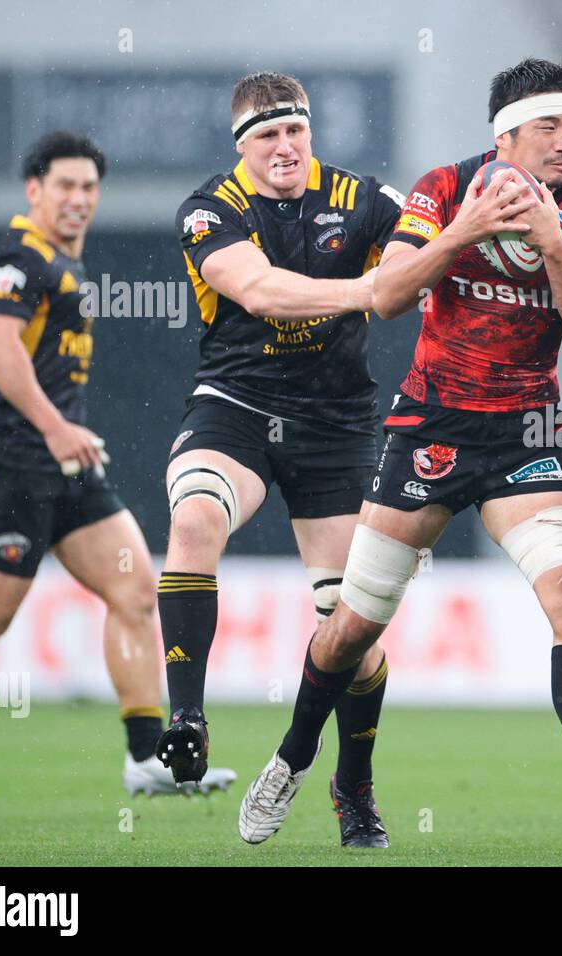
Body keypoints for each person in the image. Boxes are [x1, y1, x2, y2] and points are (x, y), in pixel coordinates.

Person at [239, 58, 562, 846]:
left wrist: (552, 244)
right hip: (430, 427)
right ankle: (297, 756)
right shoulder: (442, 187)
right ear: (506, 135)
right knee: (351, 628)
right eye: (551, 126)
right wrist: (468, 229)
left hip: (527, 437)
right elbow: (392, 293)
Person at [0, 131, 234, 797]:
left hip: (66, 468)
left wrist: (64, 437)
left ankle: (145, 758)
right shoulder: (21, 258)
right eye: (64, 185)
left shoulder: (65, 264)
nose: (78, 198)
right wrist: (57, 426)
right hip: (14, 465)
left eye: (89, 187)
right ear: (34, 189)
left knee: (134, 591)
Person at [159, 72, 403, 846]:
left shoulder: (366, 196)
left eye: (295, 130)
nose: (285, 146)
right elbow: (259, 292)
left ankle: (352, 786)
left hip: (336, 424)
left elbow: (429, 250)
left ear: (311, 131)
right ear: (241, 146)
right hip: (237, 406)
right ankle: (187, 718)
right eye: (266, 135)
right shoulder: (208, 210)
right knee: (195, 515)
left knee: (353, 635)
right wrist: (371, 289)